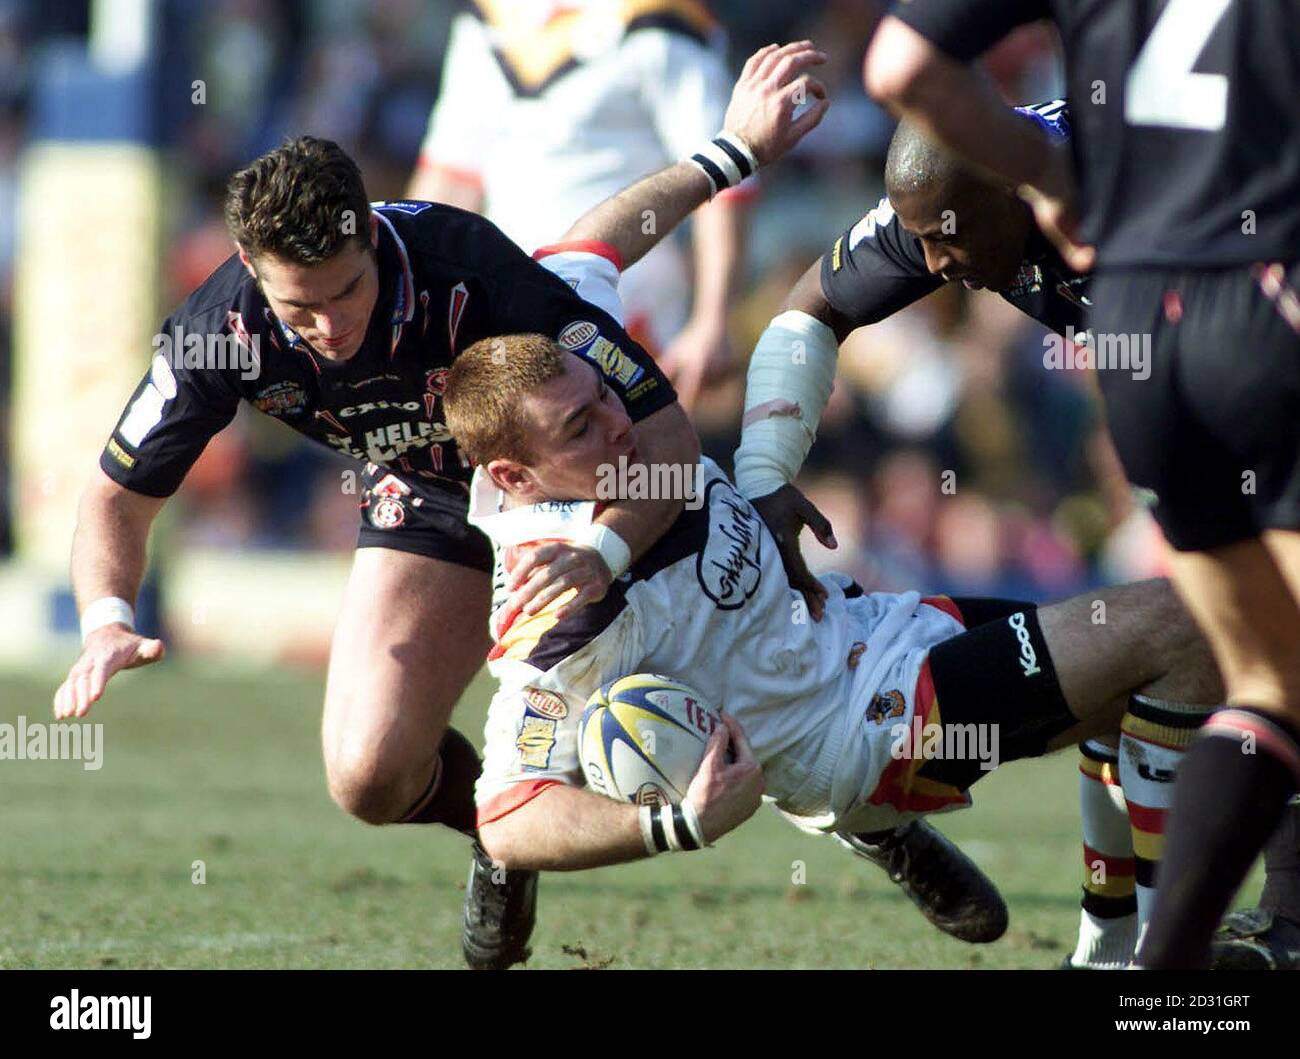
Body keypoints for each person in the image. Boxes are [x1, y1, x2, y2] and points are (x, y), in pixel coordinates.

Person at [50, 36, 826, 971]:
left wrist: (606, 550)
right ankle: (504, 835)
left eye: (347, 292)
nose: (331, 328)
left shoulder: (473, 269)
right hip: (429, 495)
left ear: (374, 235)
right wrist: (104, 618)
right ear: (251, 272)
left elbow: (659, 436)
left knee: (770, 668)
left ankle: (852, 797)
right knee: (368, 777)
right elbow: (114, 498)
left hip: (569, 482)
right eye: (302, 312)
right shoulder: (219, 333)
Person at [438, 166, 1223, 954]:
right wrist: (676, 822)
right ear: (514, 479)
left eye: (605, 394)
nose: (618, 422)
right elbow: (507, 818)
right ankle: (1164, 959)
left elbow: (594, 245)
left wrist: (731, 151)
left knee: (1148, 685)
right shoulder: (557, 598)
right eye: (580, 428)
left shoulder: (570, 361)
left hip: (877, 631)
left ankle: (1109, 943)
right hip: (856, 732)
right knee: (1182, 629)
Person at [863, 0, 1300, 971]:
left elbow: (899, 64)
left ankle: (1160, 975)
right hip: (1270, 285)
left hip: (1142, 319)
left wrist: (1047, 177)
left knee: (1265, 678)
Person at [407, 0, 756, 410]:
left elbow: (724, 174)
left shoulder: (663, 20)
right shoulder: (488, 22)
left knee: (633, 459)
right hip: (505, 312)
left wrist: (711, 321)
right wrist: (411, 312)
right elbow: (450, 177)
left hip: (626, 306)